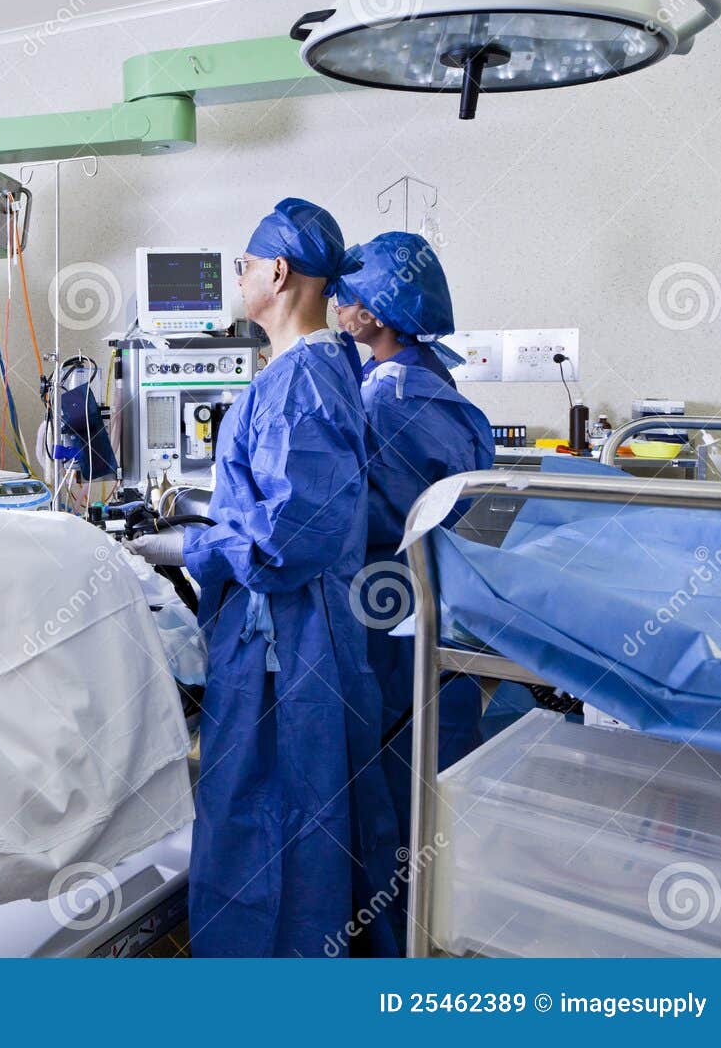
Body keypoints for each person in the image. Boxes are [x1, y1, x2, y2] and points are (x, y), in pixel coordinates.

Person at [130, 198, 399, 957]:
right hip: (299, 634)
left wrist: (186, 549)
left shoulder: (300, 382)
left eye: (244, 265)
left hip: (287, 647)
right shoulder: (313, 370)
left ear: (277, 273)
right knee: (313, 822)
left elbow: (288, 537)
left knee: (270, 825)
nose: (239, 278)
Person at [334, 233, 494, 878]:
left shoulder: (382, 399)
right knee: (438, 739)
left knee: (396, 745)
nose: (336, 308)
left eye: (344, 298)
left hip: (391, 593)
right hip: (441, 591)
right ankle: (438, 886)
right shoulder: (431, 378)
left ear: (373, 314)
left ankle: (401, 894)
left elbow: (374, 509)